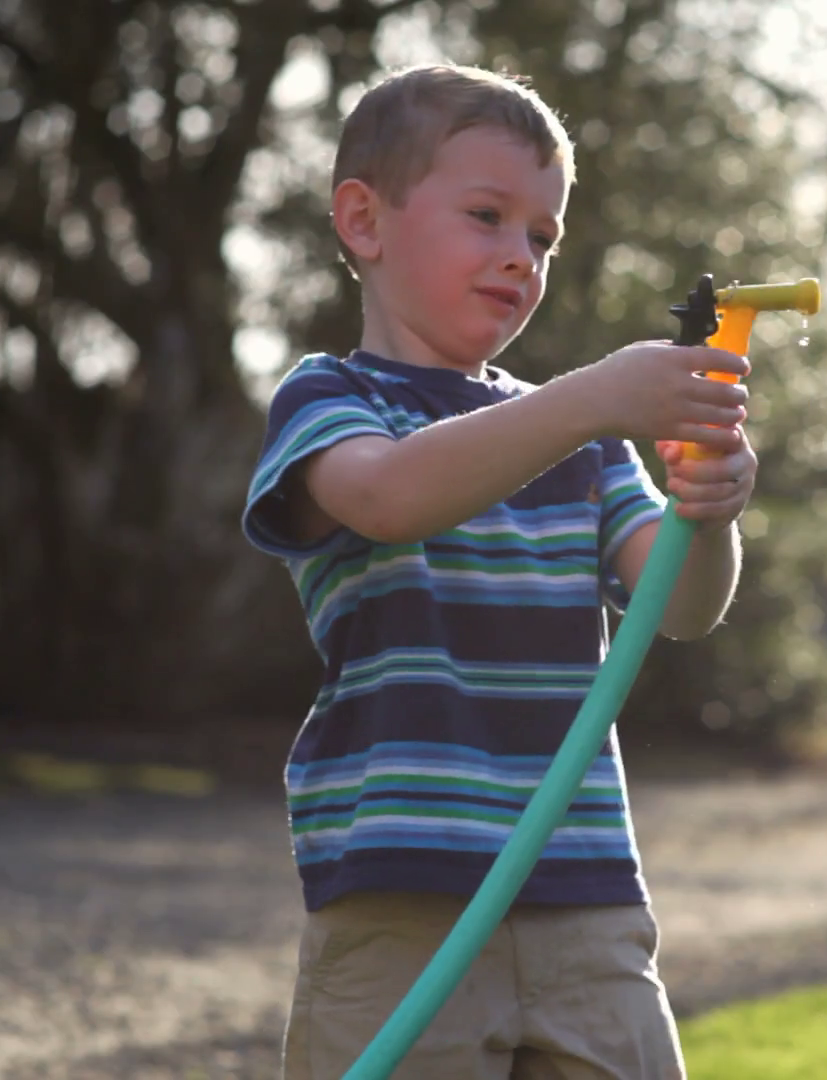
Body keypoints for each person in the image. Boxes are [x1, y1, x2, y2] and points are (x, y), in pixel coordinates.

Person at [240, 62, 759, 1080]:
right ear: (364, 219)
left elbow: (683, 607)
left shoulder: (588, 440)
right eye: (487, 215)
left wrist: (713, 506)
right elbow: (389, 497)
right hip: (403, 893)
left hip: (586, 892)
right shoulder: (331, 397)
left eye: (543, 237)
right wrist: (592, 397)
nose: (521, 257)